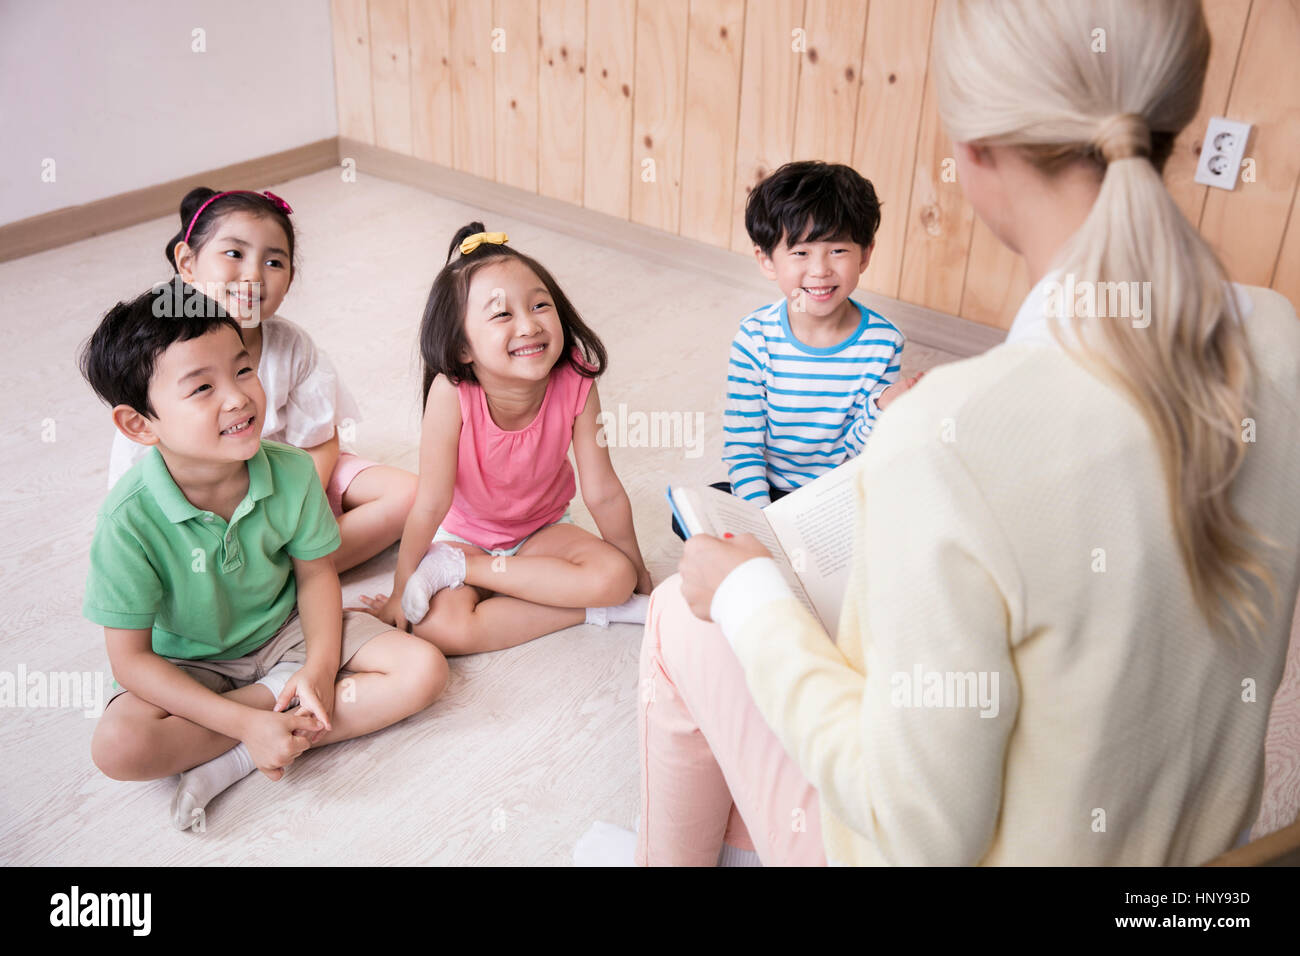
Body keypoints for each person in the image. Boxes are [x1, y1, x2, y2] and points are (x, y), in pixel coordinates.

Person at [584, 0, 1300, 866]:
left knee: (677, 612)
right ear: (1175, 122)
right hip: (1192, 872)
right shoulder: (1279, 337)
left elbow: (920, 830)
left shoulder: (945, 438)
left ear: (974, 149)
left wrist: (747, 594)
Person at [82, 284, 447, 830]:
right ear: (140, 424)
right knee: (118, 746)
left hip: (289, 632)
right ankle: (266, 718)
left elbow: (317, 576)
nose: (237, 398)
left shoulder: (293, 470)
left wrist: (321, 670)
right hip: (193, 664)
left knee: (423, 670)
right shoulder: (126, 522)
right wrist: (245, 717)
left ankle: (234, 758)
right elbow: (131, 662)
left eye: (243, 371)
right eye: (202, 387)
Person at [358, 224, 654, 655]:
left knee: (614, 577)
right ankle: (574, 601)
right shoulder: (452, 392)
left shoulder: (575, 377)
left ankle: (469, 571)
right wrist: (401, 589)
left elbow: (603, 492)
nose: (529, 325)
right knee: (442, 629)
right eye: (502, 314)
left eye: (539, 305)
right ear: (463, 348)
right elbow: (431, 501)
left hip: (544, 529)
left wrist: (637, 573)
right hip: (465, 534)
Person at [108, 186, 417, 572]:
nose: (253, 275)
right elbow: (136, 484)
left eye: (274, 262)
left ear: (289, 282)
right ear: (187, 263)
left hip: (293, 477)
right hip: (211, 502)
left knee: (409, 495)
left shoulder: (293, 346)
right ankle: (270, 576)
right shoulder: (161, 359)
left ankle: (287, 571)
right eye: (234, 253)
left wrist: (299, 507)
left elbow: (320, 442)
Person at [671, 163, 922, 539]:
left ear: (865, 255)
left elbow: (859, 449)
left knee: (905, 516)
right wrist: (763, 521)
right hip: (770, 491)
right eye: (801, 253)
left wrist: (882, 406)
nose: (820, 270)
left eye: (838, 250)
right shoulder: (755, 337)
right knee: (691, 518)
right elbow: (744, 446)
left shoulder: (884, 342)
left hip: (836, 495)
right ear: (767, 261)